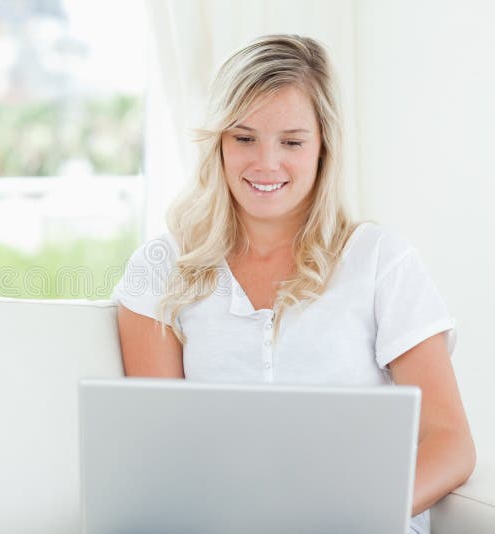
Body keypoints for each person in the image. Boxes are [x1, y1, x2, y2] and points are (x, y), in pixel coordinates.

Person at [111, 34, 475, 534]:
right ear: (217, 140)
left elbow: (450, 441)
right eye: (243, 138)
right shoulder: (160, 268)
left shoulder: (379, 261)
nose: (266, 163)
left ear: (323, 145)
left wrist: (350, 512)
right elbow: (165, 451)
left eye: (292, 141)